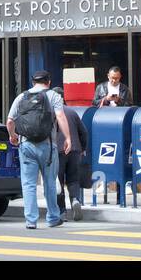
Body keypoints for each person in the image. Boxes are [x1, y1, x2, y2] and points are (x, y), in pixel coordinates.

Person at [7, 70, 72, 229]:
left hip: (26, 145)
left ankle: (31, 220)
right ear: (48, 82)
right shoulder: (53, 96)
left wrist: (13, 136)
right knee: (50, 183)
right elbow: (61, 117)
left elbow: (9, 121)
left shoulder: (22, 97)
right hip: (48, 146)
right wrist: (68, 138)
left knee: (28, 184)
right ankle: (53, 218)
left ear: (33, 82)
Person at [52, 87, 89, 221]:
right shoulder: (72, 112)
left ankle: (62, 212)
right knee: (73, 179)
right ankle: (75, 200)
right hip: (75, 150)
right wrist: (83, 148)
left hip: (58, 151)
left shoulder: (52, 112)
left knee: (58, 182)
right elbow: (84, 132)